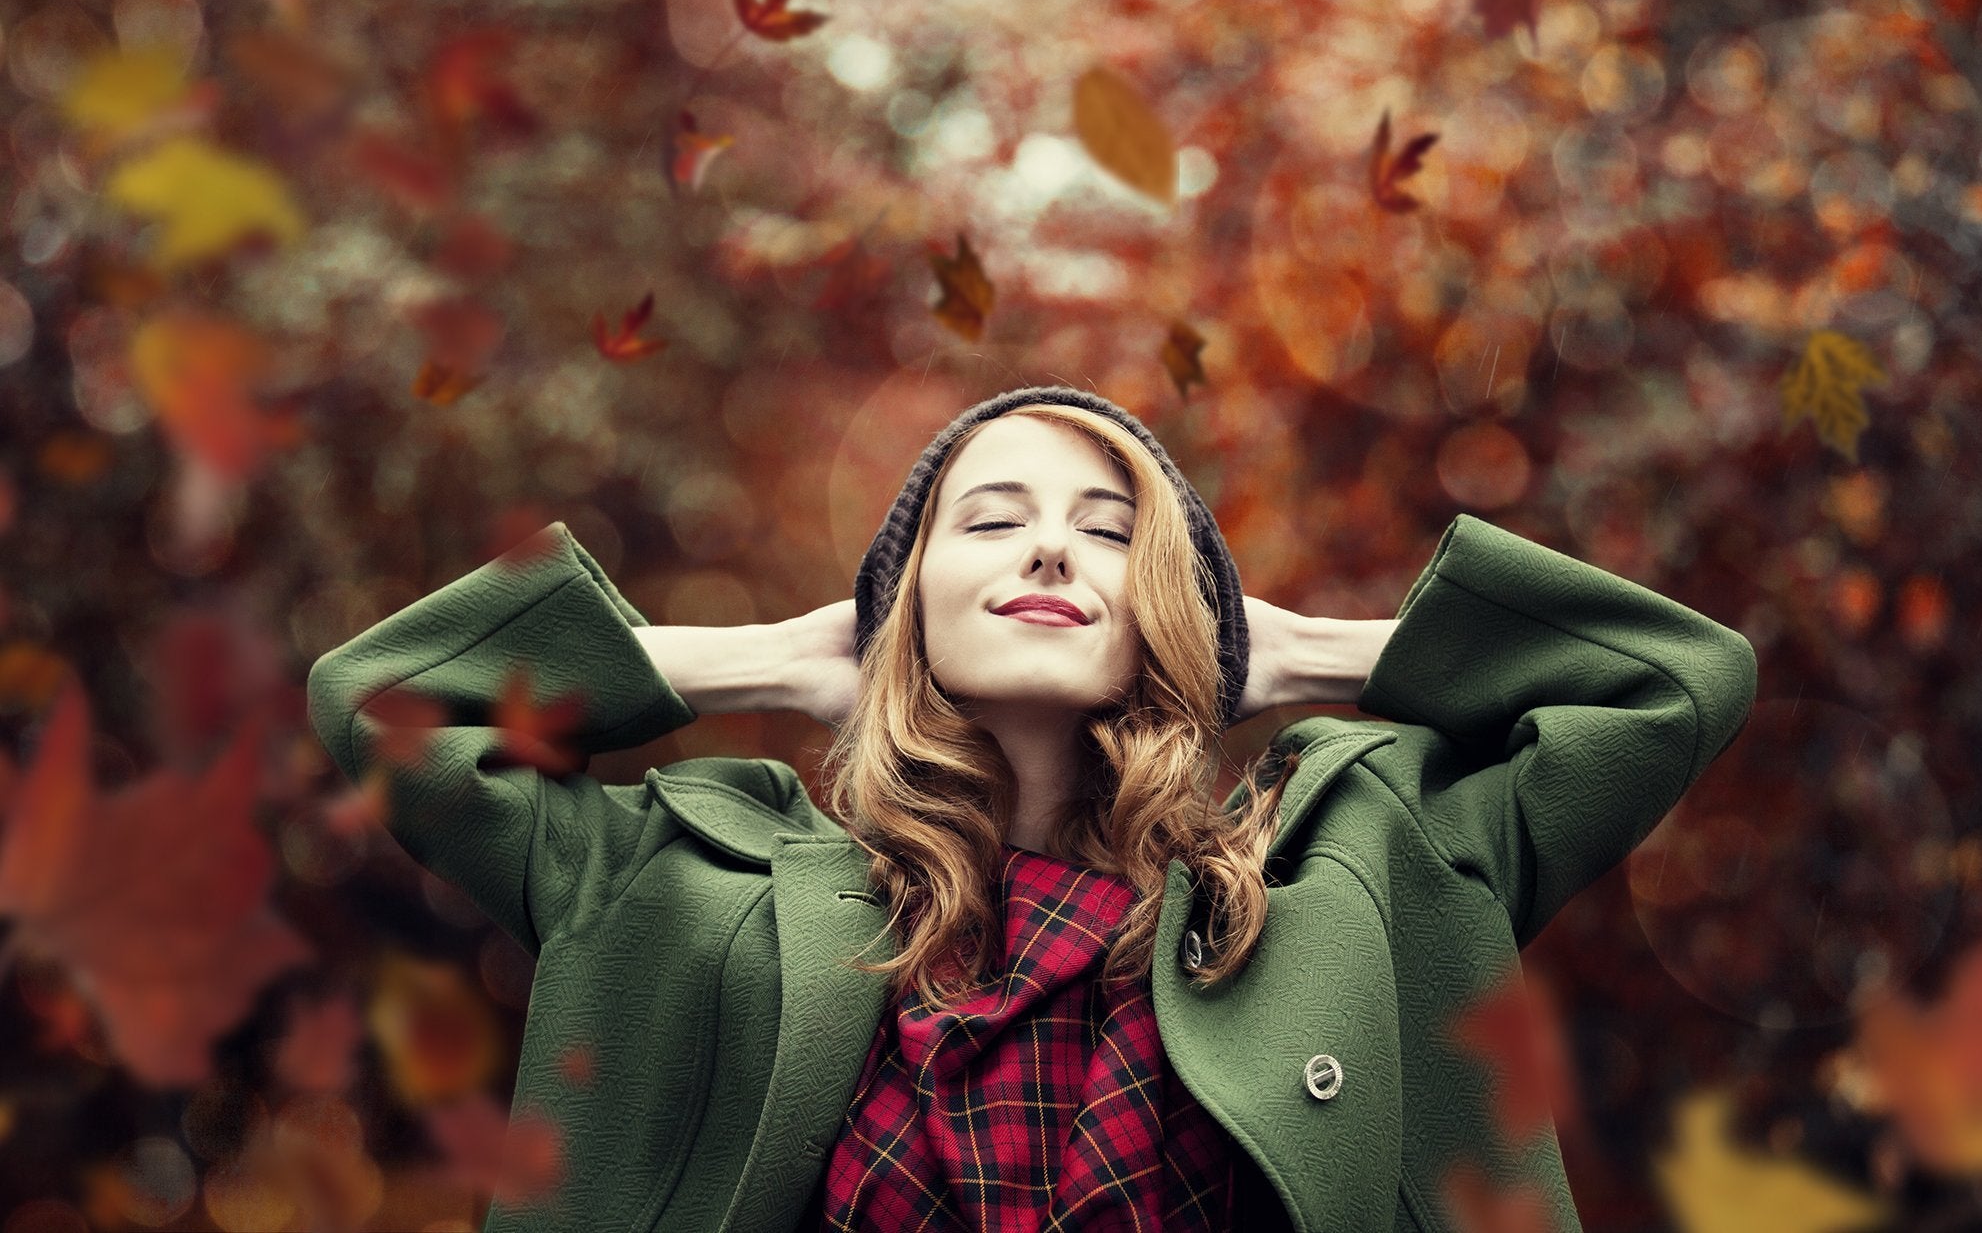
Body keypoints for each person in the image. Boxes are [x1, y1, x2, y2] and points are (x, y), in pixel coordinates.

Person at [305, 384, 1758, 1233]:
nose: (1054, 543)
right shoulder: (691, 885)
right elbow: (380, 712)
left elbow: (1677, 685)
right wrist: (756, 660)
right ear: (902, 604)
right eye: (989, 519)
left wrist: (1304, 651)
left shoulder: (1366, 861)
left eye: (1114, 533)